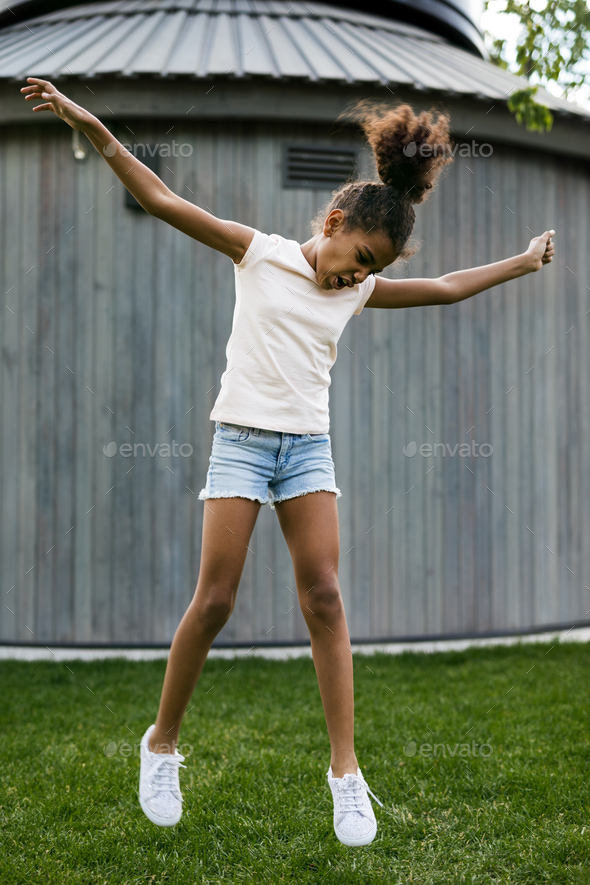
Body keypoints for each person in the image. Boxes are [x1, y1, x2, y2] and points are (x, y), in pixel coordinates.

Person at [21, 77, 555, 847]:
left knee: (325, 597)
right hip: (241, 440)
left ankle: (346, 771)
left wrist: (523, 262)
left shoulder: (357, 293)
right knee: (215, 600)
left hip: (306, 448)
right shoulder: (259, 254)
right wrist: (89, 124)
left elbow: (442, 287)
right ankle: (161, 744)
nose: (358, 276)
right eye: (359, 259)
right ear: (333, 223)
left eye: (372, 269)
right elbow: (163, 199)